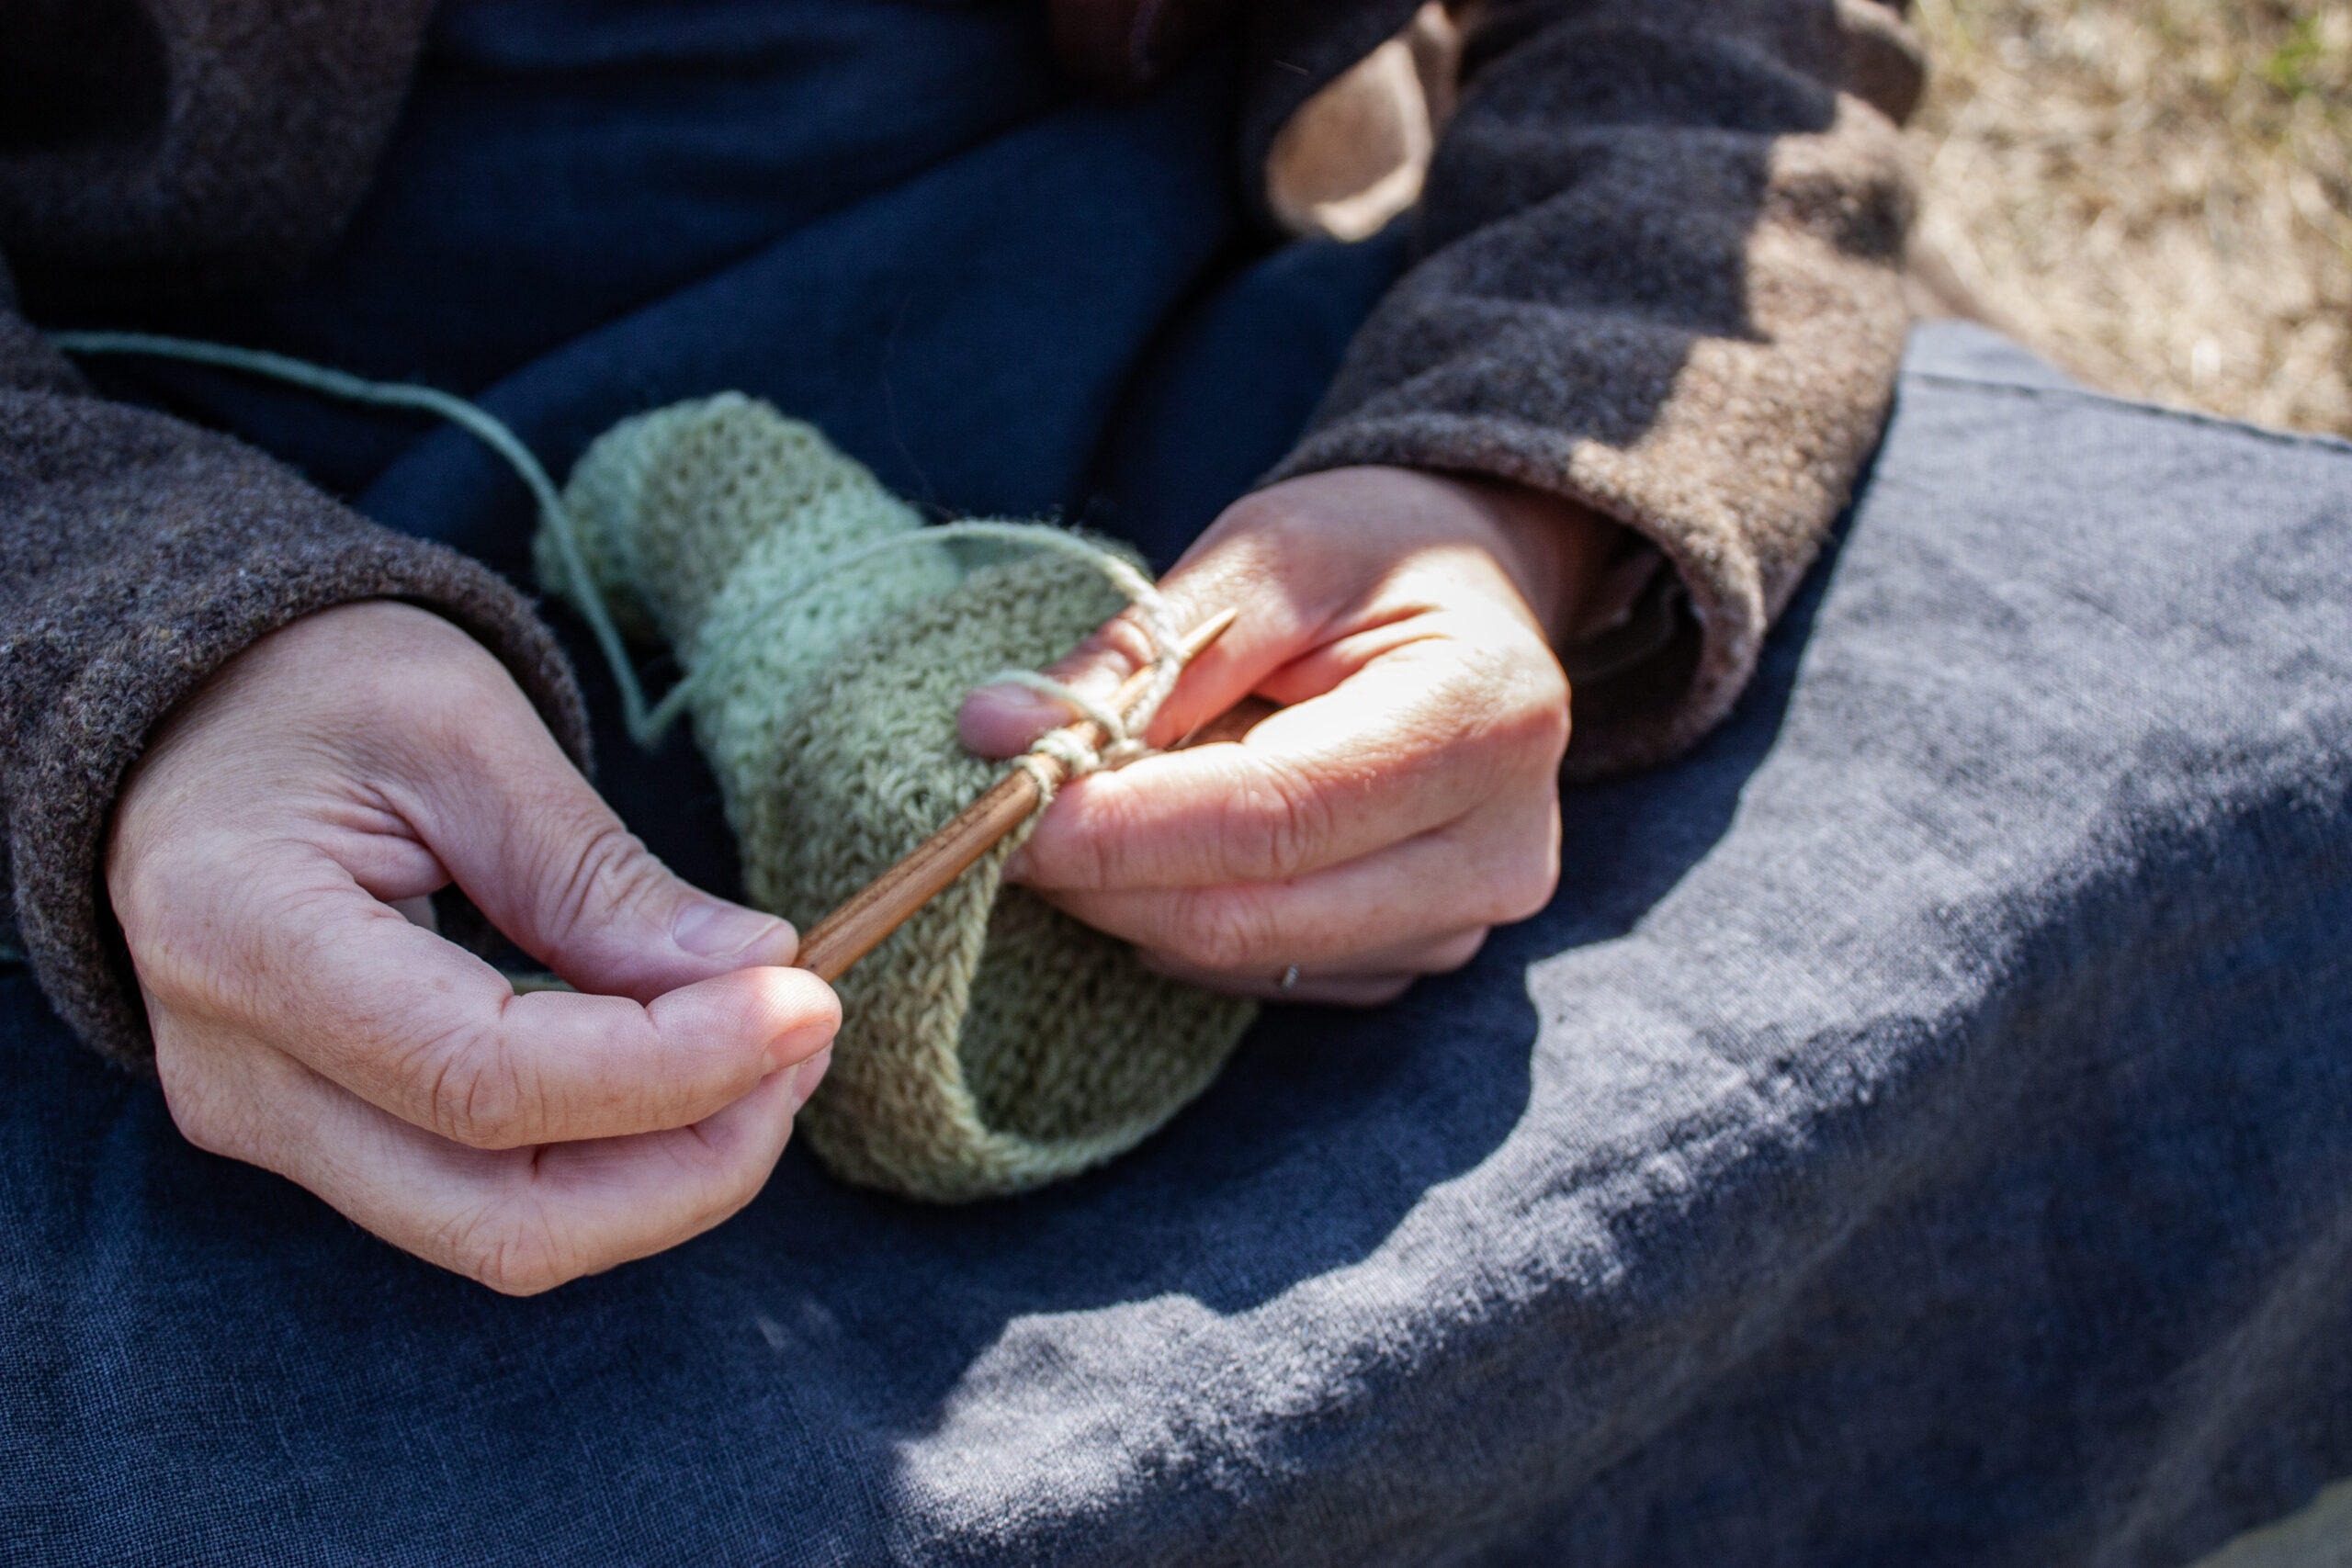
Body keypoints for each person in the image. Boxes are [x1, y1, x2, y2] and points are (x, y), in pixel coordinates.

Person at [9, 3, 2346, 1562]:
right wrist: (122, 658)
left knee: (2274, 762)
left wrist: (1510, 485)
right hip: (151, 493)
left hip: (1222, 401)